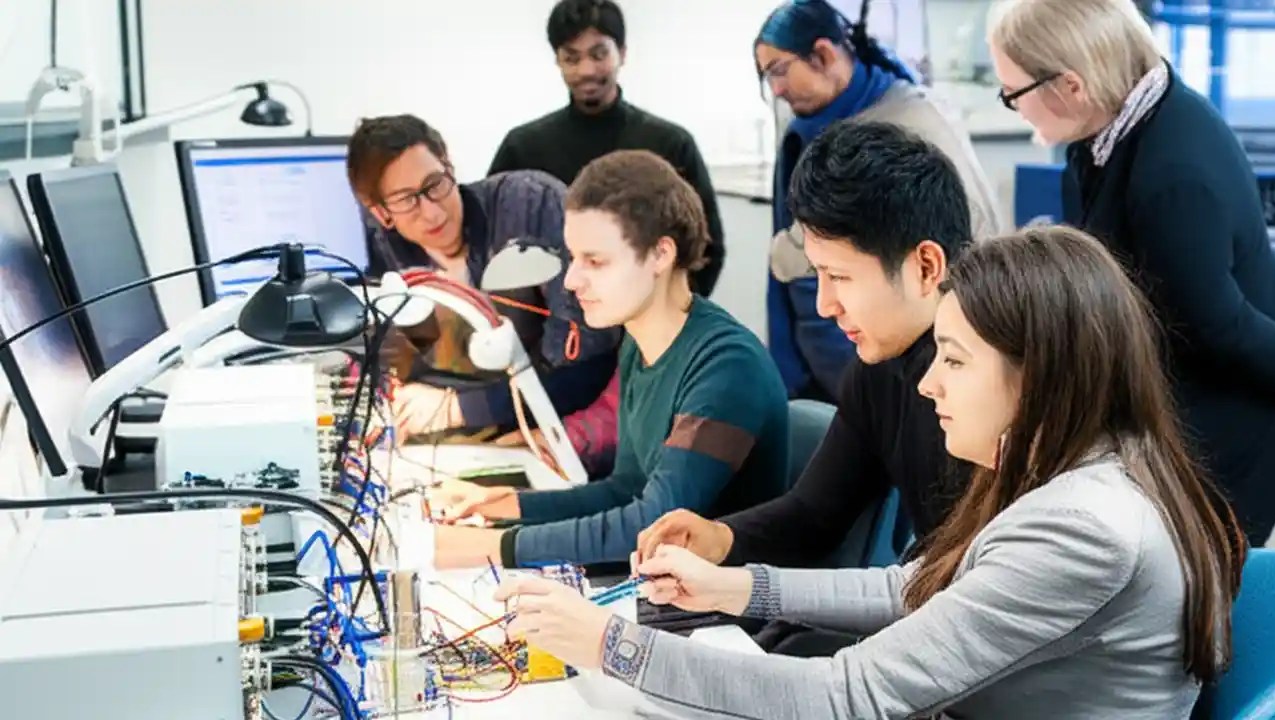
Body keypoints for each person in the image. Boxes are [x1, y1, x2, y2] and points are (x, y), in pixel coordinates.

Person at [495, 225, 1247, 720]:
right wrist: (735, 587)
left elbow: (852, 694)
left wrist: (614, 647)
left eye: (954, 360)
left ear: (1040, 376)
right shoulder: (1080, 465)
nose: (928, 384)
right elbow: (916, 587)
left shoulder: (1082, 527)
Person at [641, 119, 976, 658]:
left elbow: (951, 592)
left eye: (839, 277)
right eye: (817, 275)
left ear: (926, 266)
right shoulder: (879, 365)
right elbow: (818, 512)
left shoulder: (999, 391)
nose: (824, 304)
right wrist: (719, 539)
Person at [989, 0, 1275, 545]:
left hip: (1224, 433)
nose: (1014, 108)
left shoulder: (1171, 175)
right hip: (1169, 417)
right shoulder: (1108, 131)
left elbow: (1223, 330)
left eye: (1012, 94)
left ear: (1071, 86)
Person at [429, 150, 789, 569]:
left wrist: (486, 549)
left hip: (722, 619)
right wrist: (507, 506)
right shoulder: (639, 343)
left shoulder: (726, 367)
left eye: (595, 261)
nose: (570, 279)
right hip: (664, 588)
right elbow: (626, 489)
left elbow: (652, 522)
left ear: (660, 254)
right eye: (573, 258)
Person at [346, 114, 620, 473]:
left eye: (435, 184)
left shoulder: (530, 207)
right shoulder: (381, 251)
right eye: (407, 200)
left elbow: (586, 365)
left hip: (557, 428)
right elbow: (401, 357)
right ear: (381, 213)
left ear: (449, 165)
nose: (431, 211)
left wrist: (456, 408)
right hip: (457, 441)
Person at [759, 0, 1002, 403]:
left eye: (779, 70)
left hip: (905, 355)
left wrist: (791, 249)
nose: (776, 89)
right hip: (842, 358)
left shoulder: (908, 124)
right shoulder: (810, 126)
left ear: (823, 54)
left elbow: (970, 237)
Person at [488, 0, 726, 297]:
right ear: (557, 60)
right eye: (572, 58)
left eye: (599, 54)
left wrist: (672, 322)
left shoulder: (670, 144)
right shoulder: (522, 148)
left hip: (651, 333)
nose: (587, 70)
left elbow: (706, 248)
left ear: (622, 53)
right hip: (553, 334)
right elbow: (491, 245)